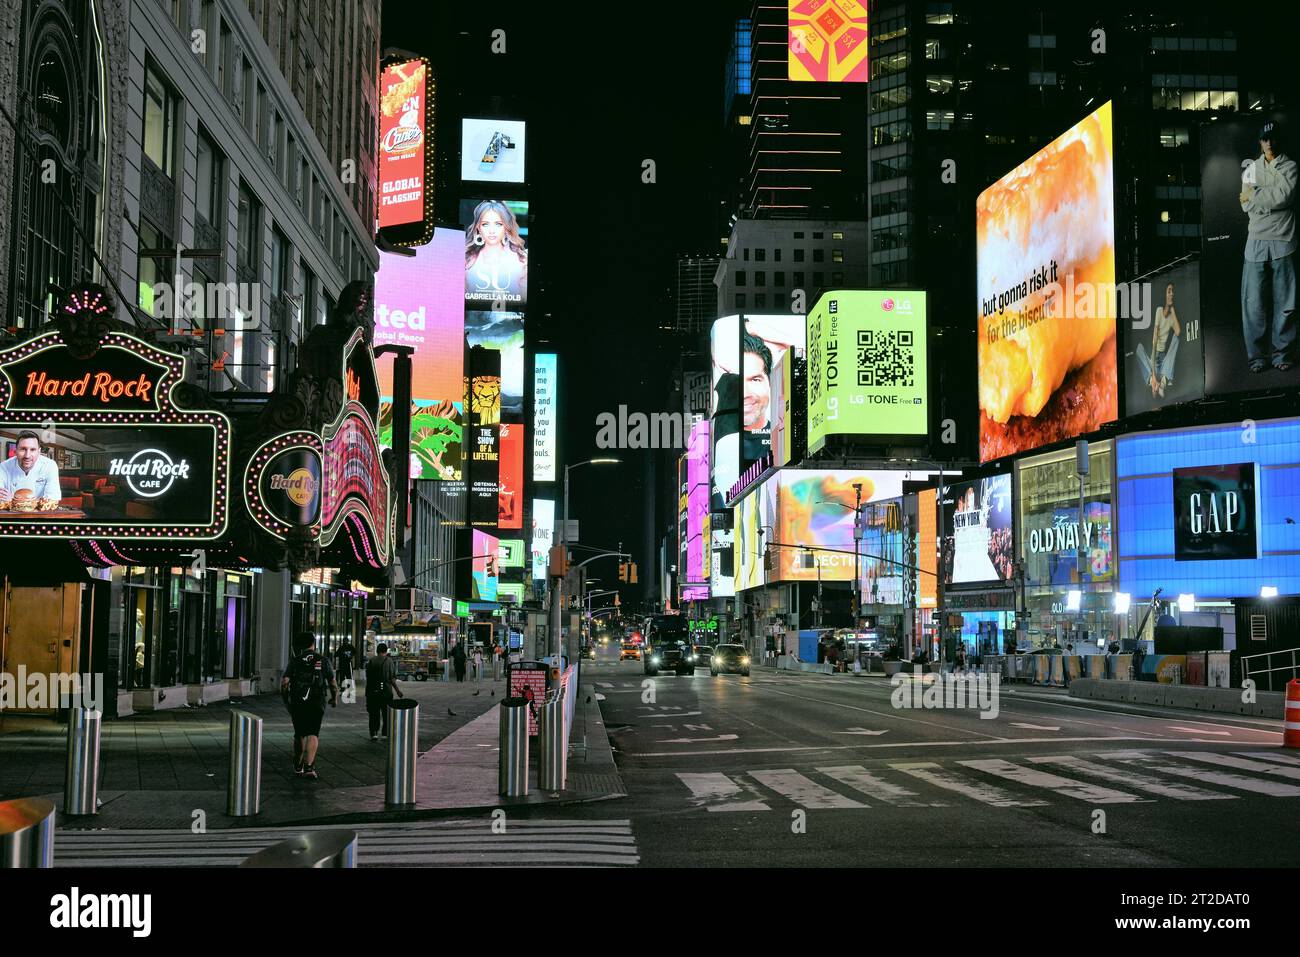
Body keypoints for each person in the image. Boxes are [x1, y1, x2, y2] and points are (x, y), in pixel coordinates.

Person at [1240, 121, 1297, 373]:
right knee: (1253, 303)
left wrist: (1258, 196)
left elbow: (1284, 196)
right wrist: (1264, 197)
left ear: (1277, 140)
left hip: (1284, 239)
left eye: (1272, 138)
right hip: (1256, 240)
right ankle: (1257, 358)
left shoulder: (1291, 167)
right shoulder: (1251, 169)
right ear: (1260, 142)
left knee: (1286, 302)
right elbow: (1244, 203)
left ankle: (1281, 354)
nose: (1269, 143)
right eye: (1265, 139)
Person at [280, 632, 338, 779]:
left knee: (299, 733)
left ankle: (298, 763)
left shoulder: (295, 661)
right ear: (314, 643)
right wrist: (334, 698)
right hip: (317, 701)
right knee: (313, 732)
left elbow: (285, 682)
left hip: (298, 702)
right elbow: (332, 683)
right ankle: (309, 767)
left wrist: (286, 699)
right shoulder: (323, 660)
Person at [465, 200, 528, 305]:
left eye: (498, 224)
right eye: (485, 224)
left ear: (506, 228)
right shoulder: (466, 260)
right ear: (478, 228)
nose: (492, 230)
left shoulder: (521, 261)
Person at [1136, 282, 1181, 398]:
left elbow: (1178, 333)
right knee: (1139, 349)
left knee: (1177, 339)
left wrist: (1173, 310)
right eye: (1169, 291)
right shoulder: (1159, 311)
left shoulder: (1171, 317)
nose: (1172, 294)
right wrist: (1154, 375)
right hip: (1155, 359)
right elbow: (1154, 341)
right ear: (1165, 295)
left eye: (1173, 292)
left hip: (1164, 360)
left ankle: (1162, 384)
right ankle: (1154, 382)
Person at [0, 430, 61, 507]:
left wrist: (13, 499)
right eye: (23, 449)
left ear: (39, 452)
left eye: (32, 450)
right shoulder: (3, 467)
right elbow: (1, 498)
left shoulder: (50, 465)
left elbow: (52, 499)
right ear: (15, 451)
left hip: (39, 515)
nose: (27, 456)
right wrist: (37, 501)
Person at [364, 643, 403, 740]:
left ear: (377, 651)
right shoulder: (389, 661)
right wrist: (397, 690)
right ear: (386, 651)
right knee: (386, 714)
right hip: (386, 692)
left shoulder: (371, 661)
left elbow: (368, 678)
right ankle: (385, 733)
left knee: (373, 713)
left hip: (372, 691)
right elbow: (392, 679)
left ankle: (374, 733)